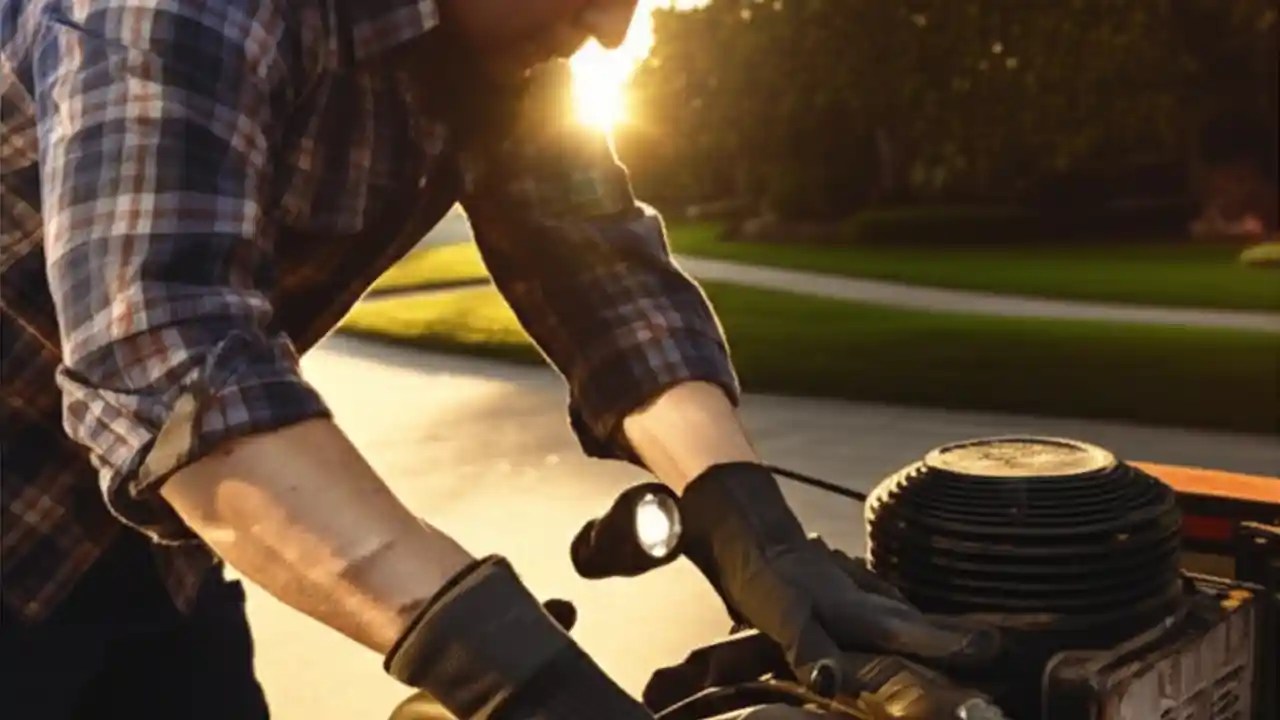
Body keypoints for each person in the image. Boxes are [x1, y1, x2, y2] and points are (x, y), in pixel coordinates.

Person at [0, 0, 1001, 717]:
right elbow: (166, 359)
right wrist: (518, 676)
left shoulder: (500, 62)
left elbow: (604, 276)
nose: (616, 27)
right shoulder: (172, 14)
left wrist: (752, 530)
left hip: (149, 557)